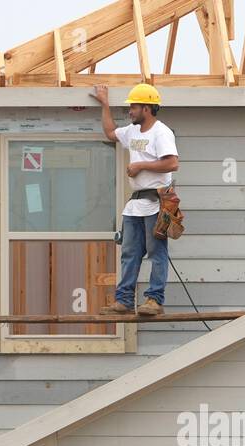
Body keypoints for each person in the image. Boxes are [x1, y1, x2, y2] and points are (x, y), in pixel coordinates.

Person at [90, 82, 179, 316]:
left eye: (134, 107)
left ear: (147, 108)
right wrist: (104, 103)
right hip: (136, 204)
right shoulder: (131, 131)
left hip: (157, 202)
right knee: (129, 252)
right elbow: (110, 133)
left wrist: (140, 165)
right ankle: (124, 300)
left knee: (156, 252)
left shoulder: (161, 132)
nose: (130, 111)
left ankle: (154, 300)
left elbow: (172, 163)